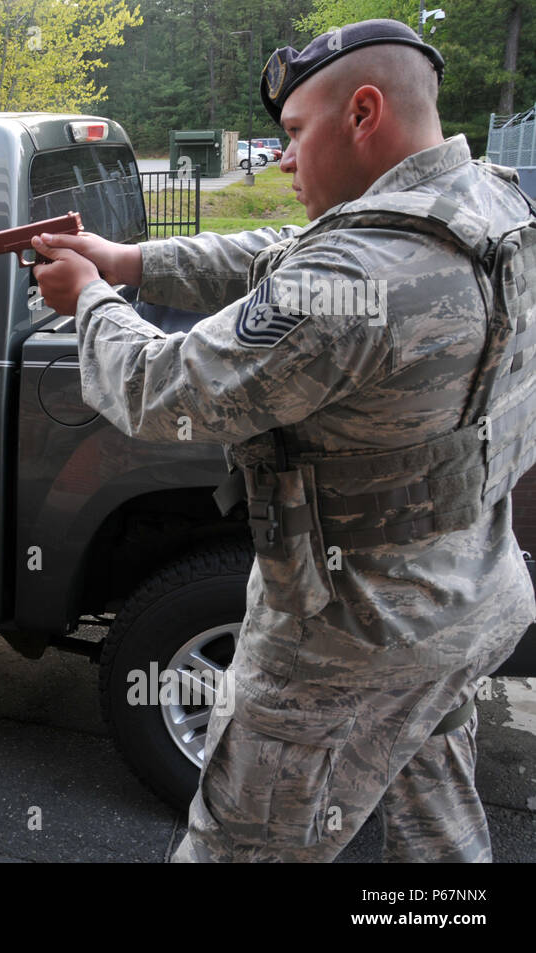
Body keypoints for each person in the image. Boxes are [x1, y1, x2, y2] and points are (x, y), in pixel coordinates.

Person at [31, 19, 536, 862]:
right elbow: (283, 253)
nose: (284, 160)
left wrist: (87, 298)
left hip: (350, 638)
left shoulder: (355, 274)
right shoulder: (493, 207)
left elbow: (164, 392)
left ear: (364, 112)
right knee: (434, 821)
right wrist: (128, 261)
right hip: (472, 598)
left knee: (243, 845)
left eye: (296, 134)